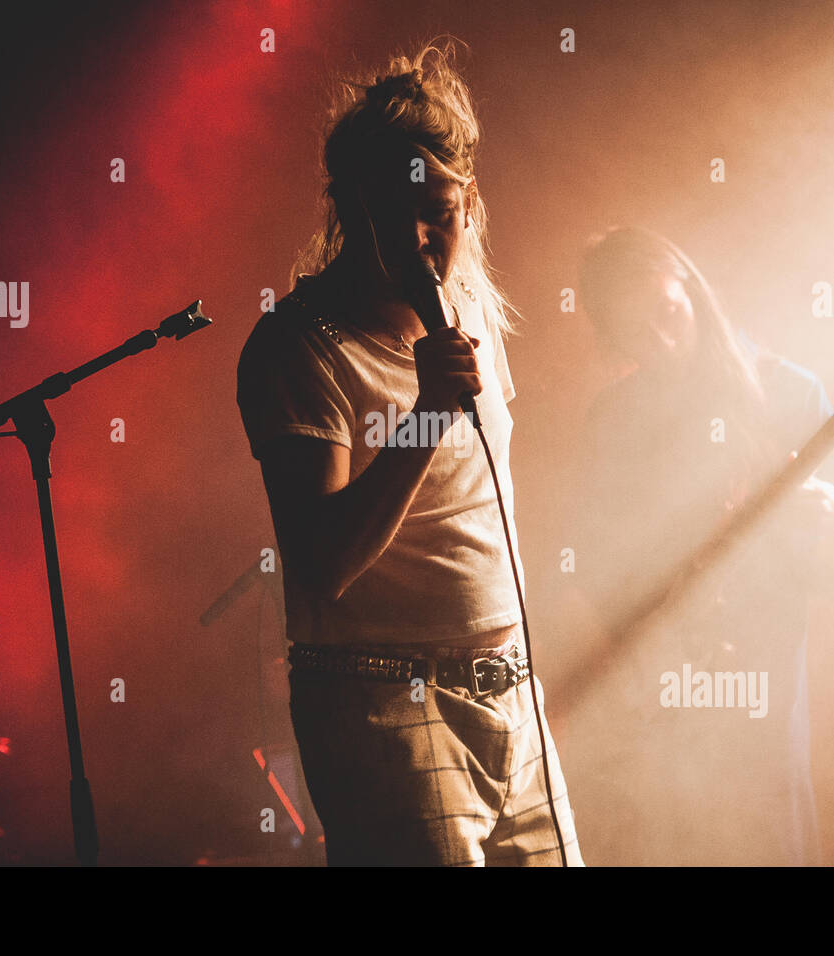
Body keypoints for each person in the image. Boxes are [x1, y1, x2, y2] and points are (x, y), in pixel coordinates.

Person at [236, 40, 583, 866]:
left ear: (470, 202)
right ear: (353, 210)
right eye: (401, 214)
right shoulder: (298, 347)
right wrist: (426, 413)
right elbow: (323, 564)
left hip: (511, 691)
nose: (426, 238)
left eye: (444, 212)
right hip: (384, 699)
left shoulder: (474, 314)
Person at [566, 227, 834, 865]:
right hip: (653, 729)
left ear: (693, 291)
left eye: (670, 313)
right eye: (638, 334)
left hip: (762, 720)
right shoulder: (613, 421)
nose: (664, 342)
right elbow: (592, 576)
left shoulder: (790, 393)